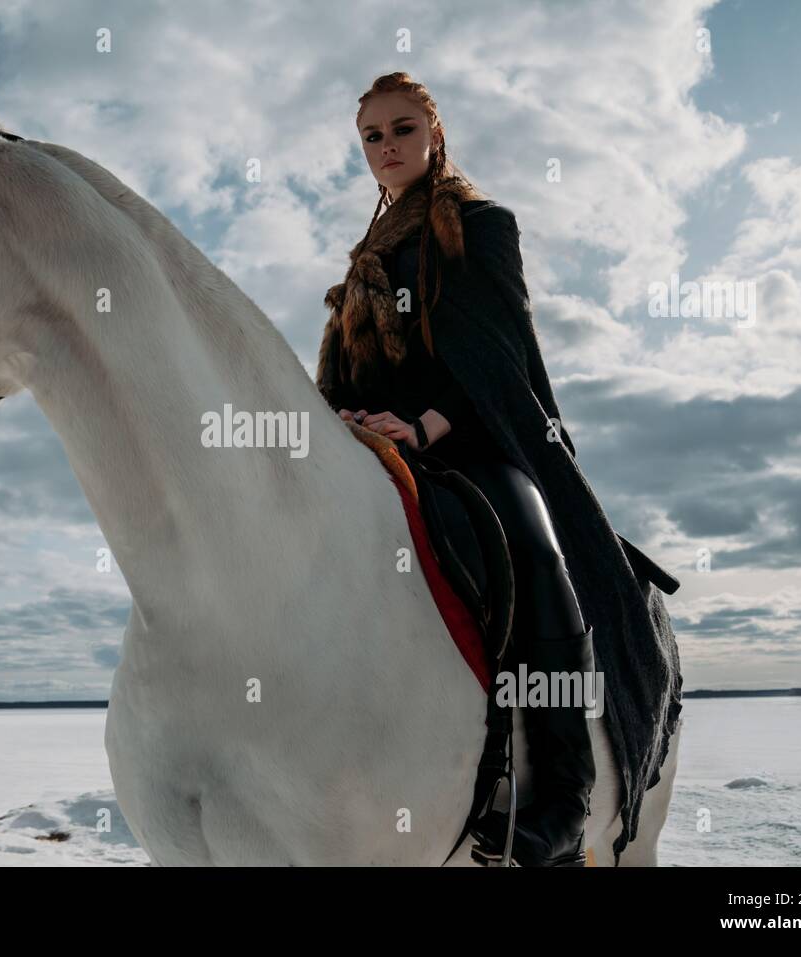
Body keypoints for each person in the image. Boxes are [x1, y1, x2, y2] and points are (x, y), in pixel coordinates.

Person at [315, 71, 596, 866]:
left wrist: (423, 424)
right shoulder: (362, 263)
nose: (387, 146)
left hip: (475, 441)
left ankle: (566, 794)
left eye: (402, 129)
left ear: (434, 132)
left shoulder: (481, 225)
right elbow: (338, 378)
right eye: (372, 136)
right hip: (375, 447)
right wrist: (335, 420)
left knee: (536, 554)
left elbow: (501, 361)